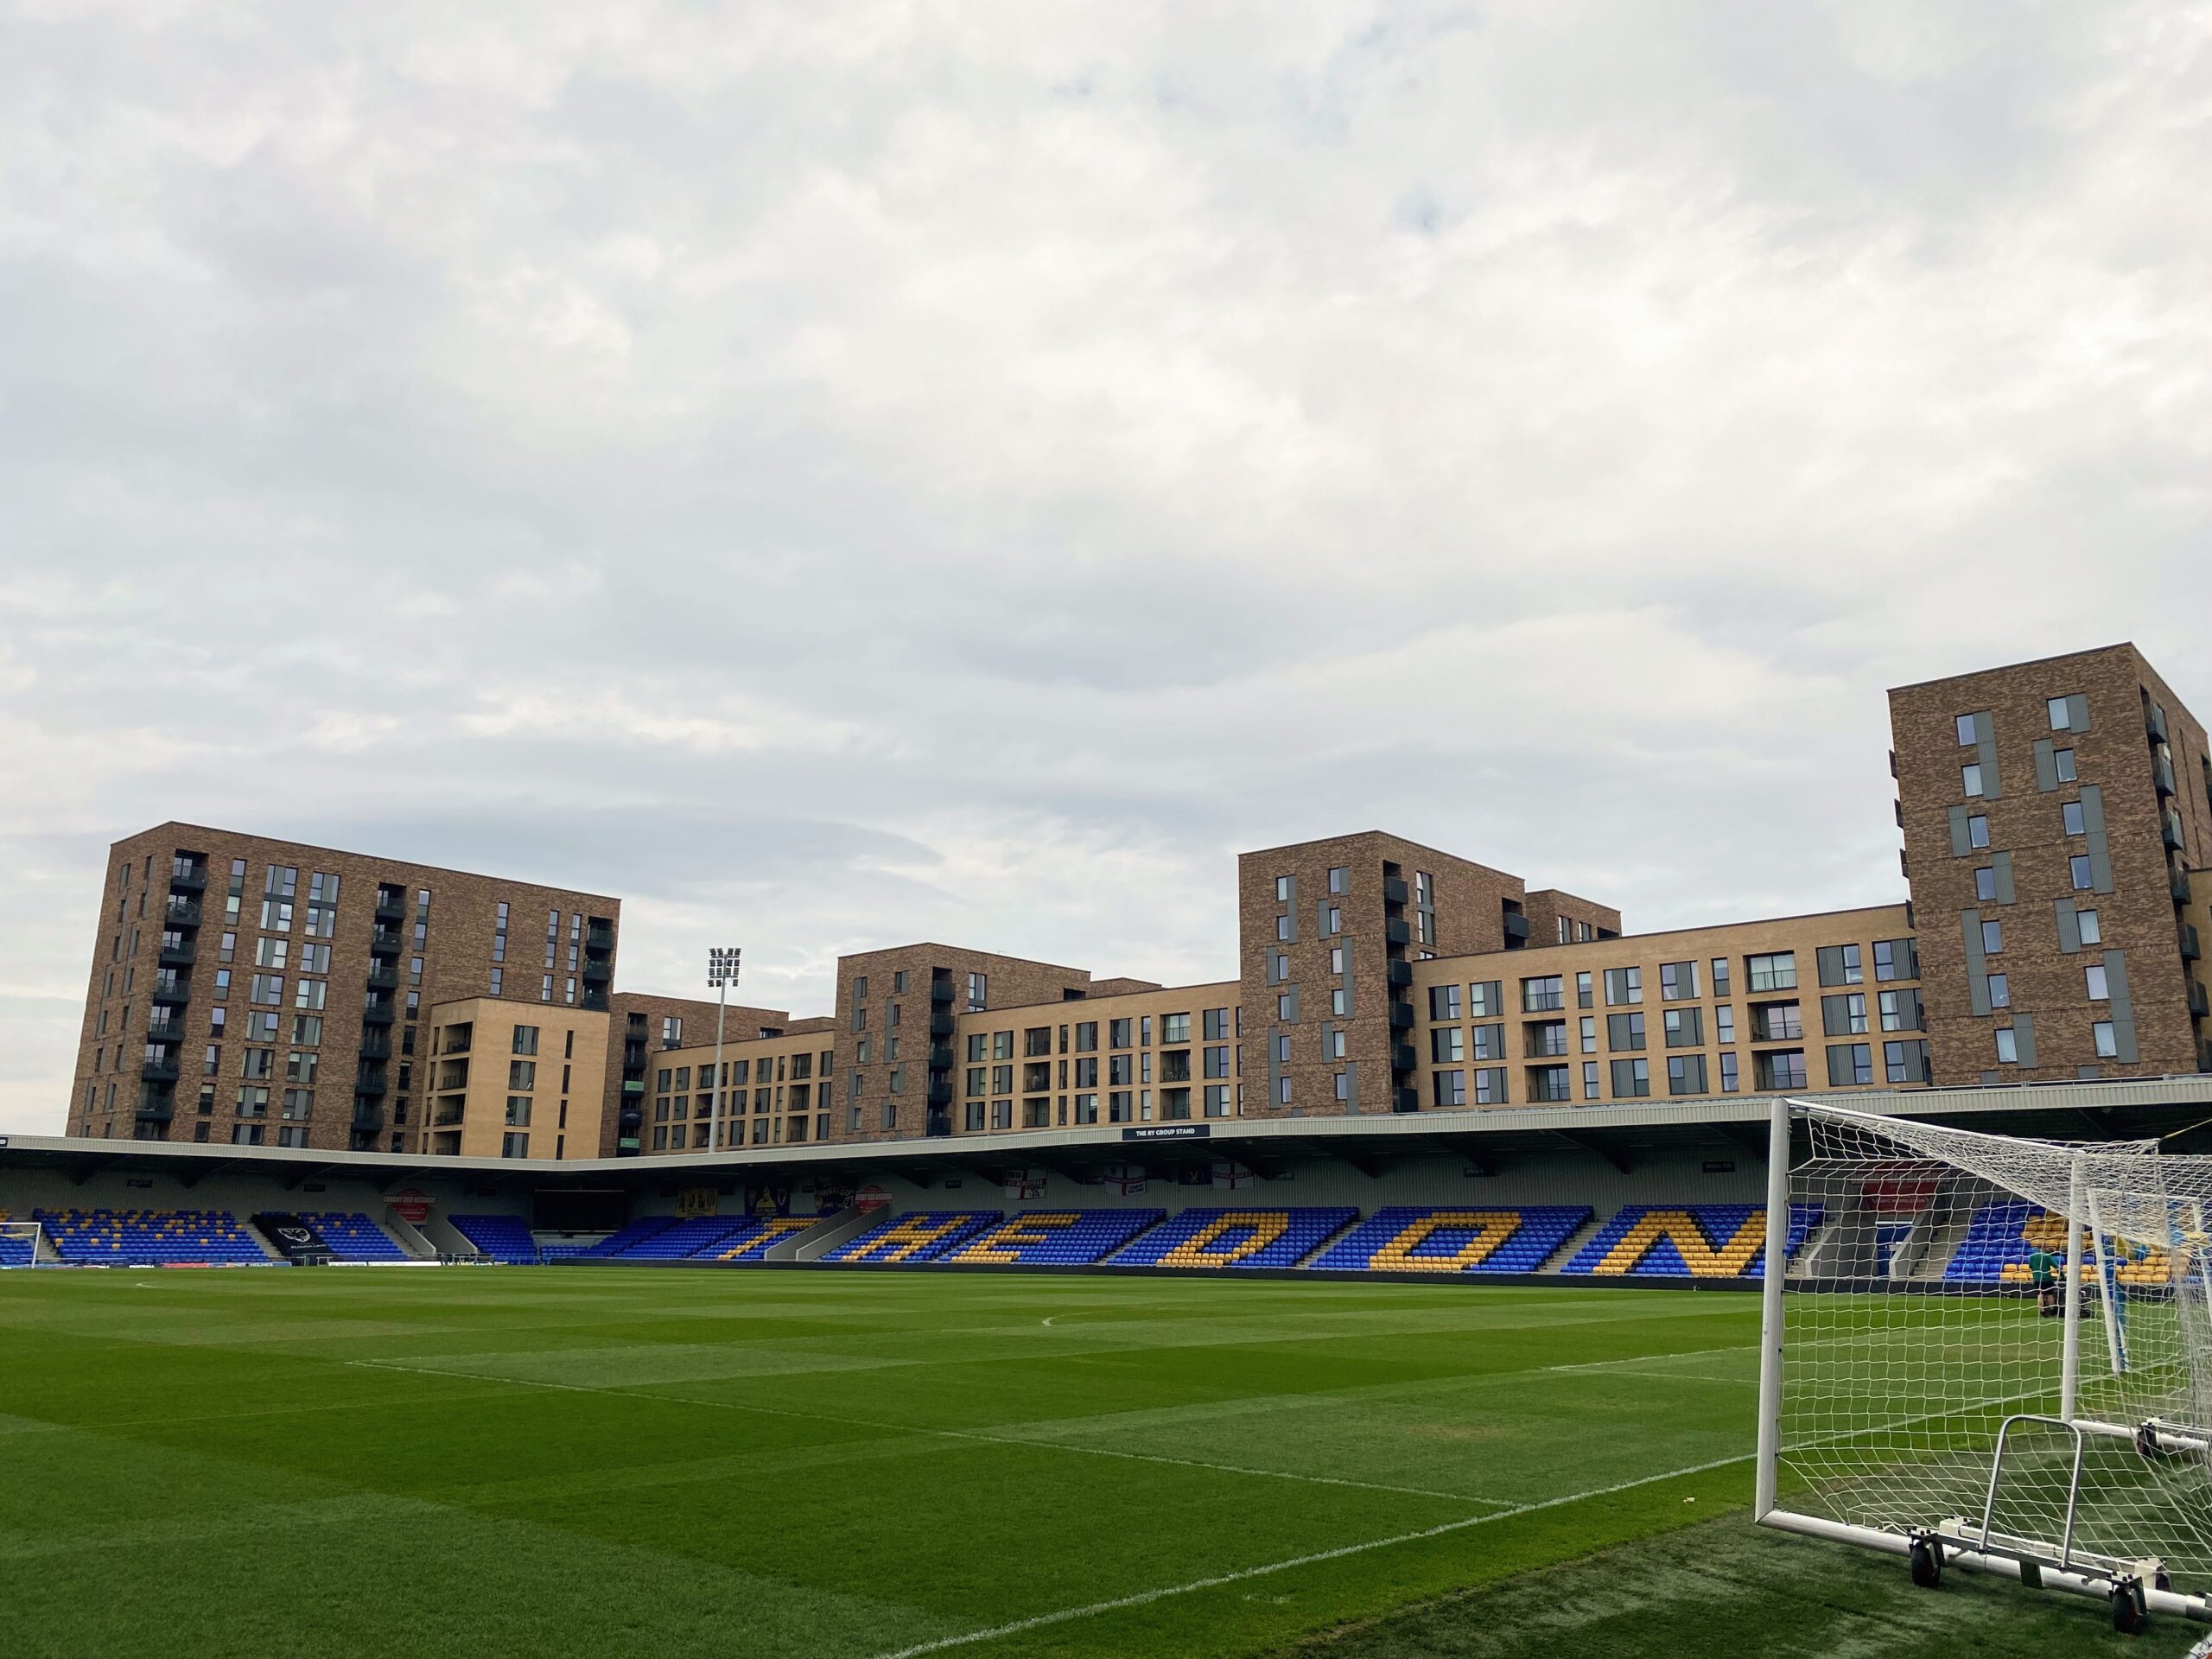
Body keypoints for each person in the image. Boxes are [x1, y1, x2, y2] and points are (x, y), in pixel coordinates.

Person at [2029, 1236, 2062, 1317]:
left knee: (2040, 1294)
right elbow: (2056, 1266)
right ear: (2045, 1248)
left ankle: (2042, 1311)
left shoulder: (2032, 1256)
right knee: (2050, 1294)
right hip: (2047, 1278)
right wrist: (2061, 1275)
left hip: (2037, 1279)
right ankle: (2052, 1310)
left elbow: (2030, 1266)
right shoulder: (2047, 1256)